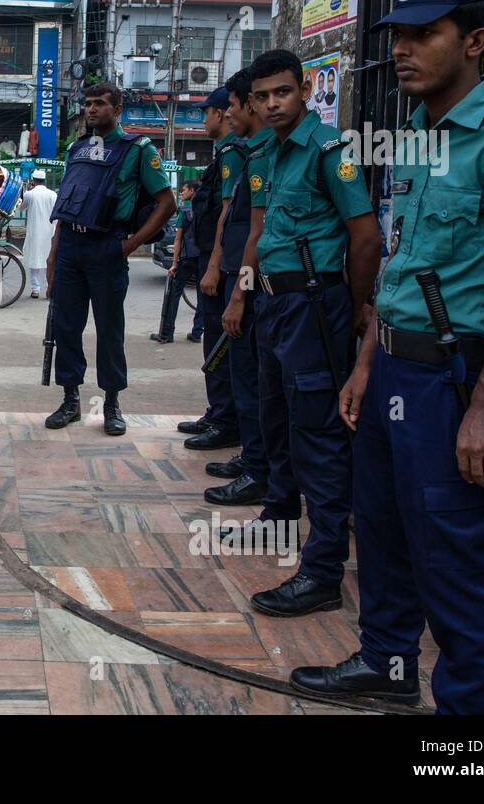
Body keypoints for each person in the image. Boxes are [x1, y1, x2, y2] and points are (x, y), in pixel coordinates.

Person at [293, 0, 484, 712]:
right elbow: (400, 258)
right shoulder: (413, 133)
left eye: (425, 33)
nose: (403, 49)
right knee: (380, 534)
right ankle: (385, 665)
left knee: (454, 557)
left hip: (451, 383)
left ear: (475, 40)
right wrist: (362, 363)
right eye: (398, 34)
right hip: (389, 368)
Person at [220, 49, 382, 618]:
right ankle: (279, 518)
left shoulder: (329, 151)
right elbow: (258, 234)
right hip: (271, 302)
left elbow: (366, 238)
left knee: (318, 432)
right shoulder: (265, 152)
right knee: (276, 418)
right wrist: (241, 291)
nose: (271, 104)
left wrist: (358, 306)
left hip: (317, 306)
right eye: (262, 96)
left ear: (306, 89)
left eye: (282, 93)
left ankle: (322, 570)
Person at [44, 83, 175, 436]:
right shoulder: (78, 148)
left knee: (109, 330)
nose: (91, 109)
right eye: (87, 104)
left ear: (117, 109)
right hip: (71, 244)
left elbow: (167, 204)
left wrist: (129, 245)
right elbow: (66, 206)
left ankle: (112, 403)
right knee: (67, 327)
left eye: (99, 103)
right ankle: (70, 400)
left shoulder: (138, 149)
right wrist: (54, 254)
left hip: (108, 247)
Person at [203, 68, 275, 504]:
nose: (229, 114)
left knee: (254, 381)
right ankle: (252, 459)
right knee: (243, 375)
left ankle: (259, 469)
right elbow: (233, 221)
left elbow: (257, 233)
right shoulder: (252, 152)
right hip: (238, 275)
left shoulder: (262, 154)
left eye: (232, 105)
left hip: (252, 283)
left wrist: (238, 291)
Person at [177, 88, 242, 449]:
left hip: (219, 261)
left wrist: (214, 265)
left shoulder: (232, 152)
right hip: (210, 257)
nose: (206, 120)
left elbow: (227, 214)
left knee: (217, 338)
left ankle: (225, 418)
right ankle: (218, 411)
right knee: (212, 338)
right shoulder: (223, 153)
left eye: (209, 112)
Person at [159, 179, 204, 340]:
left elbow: (178, 239)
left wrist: (174, 263)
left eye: (184, 190)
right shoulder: (207, 208)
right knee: (202, 297)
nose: (182, 193)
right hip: (204, 258)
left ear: (192, 191)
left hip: (187, 258)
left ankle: (167, 333)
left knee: (174, 294)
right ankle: (197, 333)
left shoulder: (185, 209)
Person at [20, 168, 57, 298]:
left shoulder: (30, 194)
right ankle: (49, 287)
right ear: (44, 180)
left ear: (33, 181)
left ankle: (35, 289)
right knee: (49, 259)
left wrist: (27, 191)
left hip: (34, 231)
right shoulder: (52, 194)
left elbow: (21, 207)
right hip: (50, 231)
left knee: (34, 259)